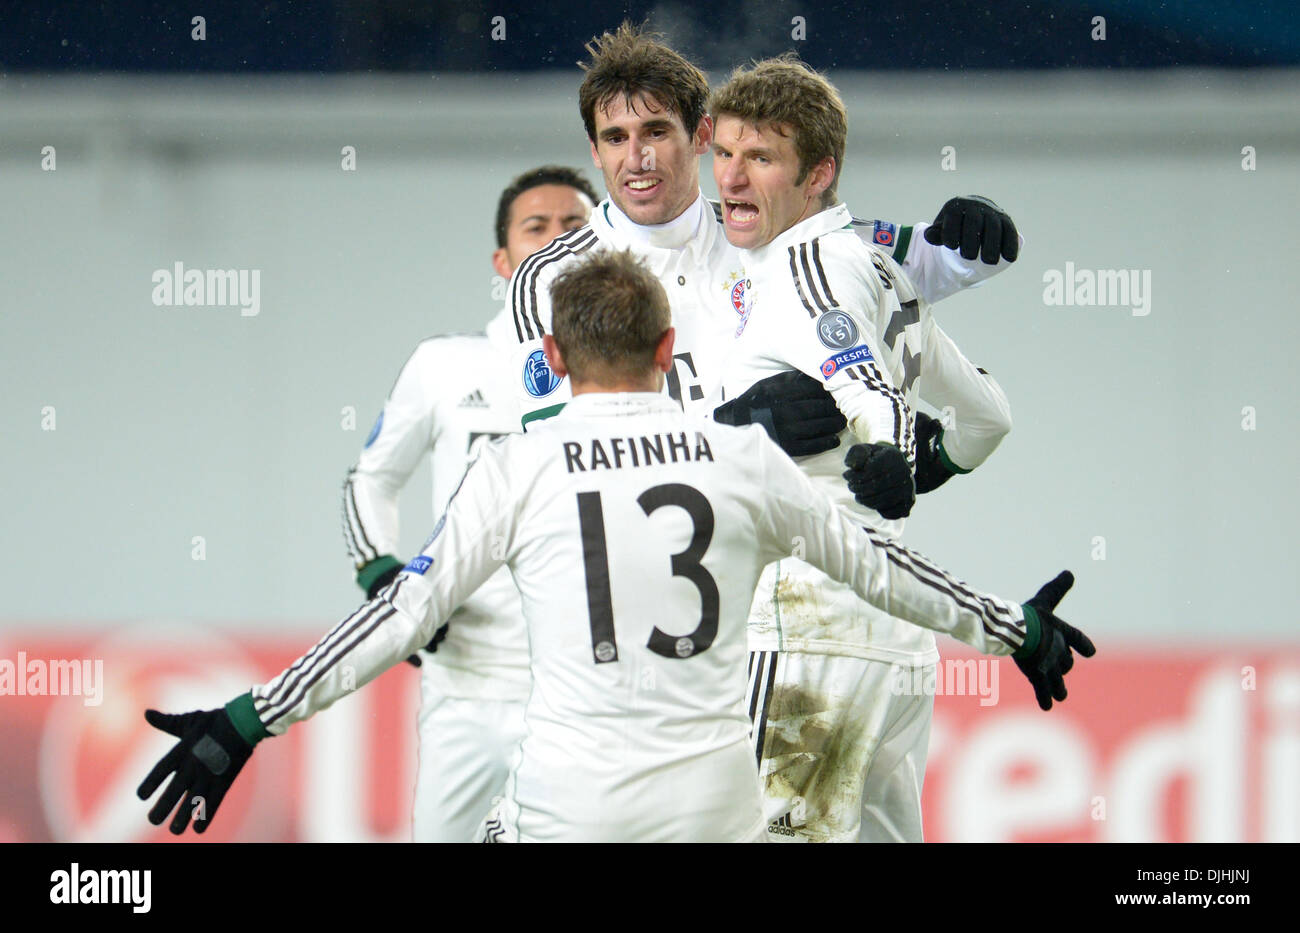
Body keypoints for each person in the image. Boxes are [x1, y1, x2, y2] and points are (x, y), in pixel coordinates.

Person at [137, 249, 1092, 842]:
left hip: (569, 806)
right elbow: (883, 566)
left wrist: (247, 720)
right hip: (714, 808)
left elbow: (402, 614)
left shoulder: (517, 464)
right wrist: (1018, 630)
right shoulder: (744, 459)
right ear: (670, 348)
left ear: (550, 360)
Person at [709, 56, 1032, 843]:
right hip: (894, 632)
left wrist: (890, 457)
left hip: (806, 618)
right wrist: (934, 463)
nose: (732, 177)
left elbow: (865, 393)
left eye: (761, 157)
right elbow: (989, 416)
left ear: (817, 172)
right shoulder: (882, 268)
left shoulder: (807, 267)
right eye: (722, 153)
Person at [506, 22, 1022, 439]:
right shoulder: (547, 277)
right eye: (615, 138)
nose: (636, 158)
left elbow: (921, 262)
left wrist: (976, 227)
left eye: (657, 132)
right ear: (595, 152)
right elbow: (557, 447)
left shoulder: (766, 226)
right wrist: (729, 429)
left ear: (702, 134)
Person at [340, 165, 597, 841]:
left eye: (575, 227)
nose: (554, 243)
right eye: (535, 227)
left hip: (589, 689)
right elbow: (370, 478)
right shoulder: (446, 364)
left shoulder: (635, 372)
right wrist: (384, 577)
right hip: (468, 683)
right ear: (502, 259)